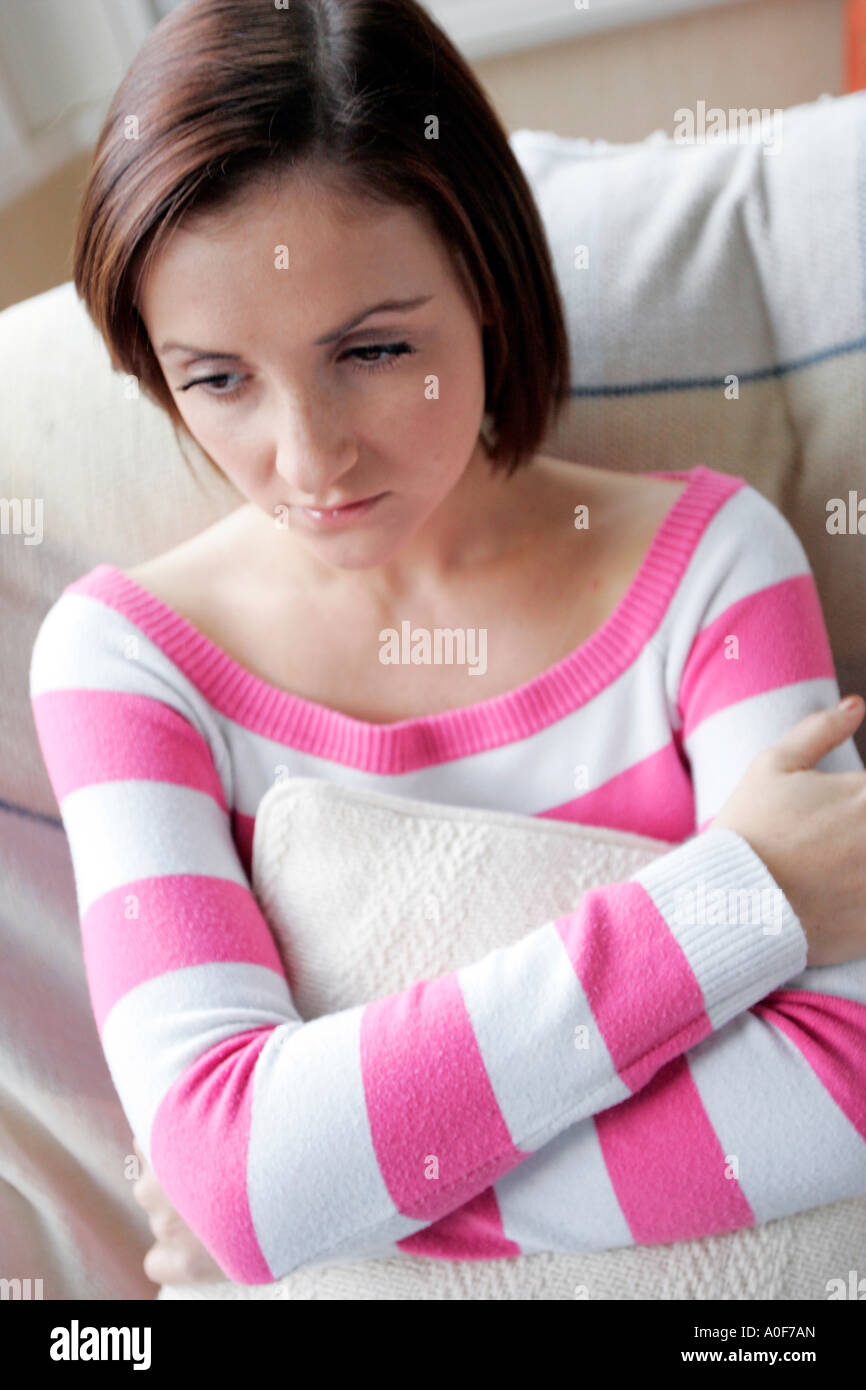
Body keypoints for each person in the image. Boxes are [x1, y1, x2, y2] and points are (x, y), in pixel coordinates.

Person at [29, 0, 866, 1294]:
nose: (308, 461)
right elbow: (238, 1174)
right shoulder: (125, 664)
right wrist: (737, 894)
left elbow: (840, 1086)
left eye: (372, 350)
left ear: (487, 282)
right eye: (217, 378)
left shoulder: (711, 566)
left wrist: (325, 1202)